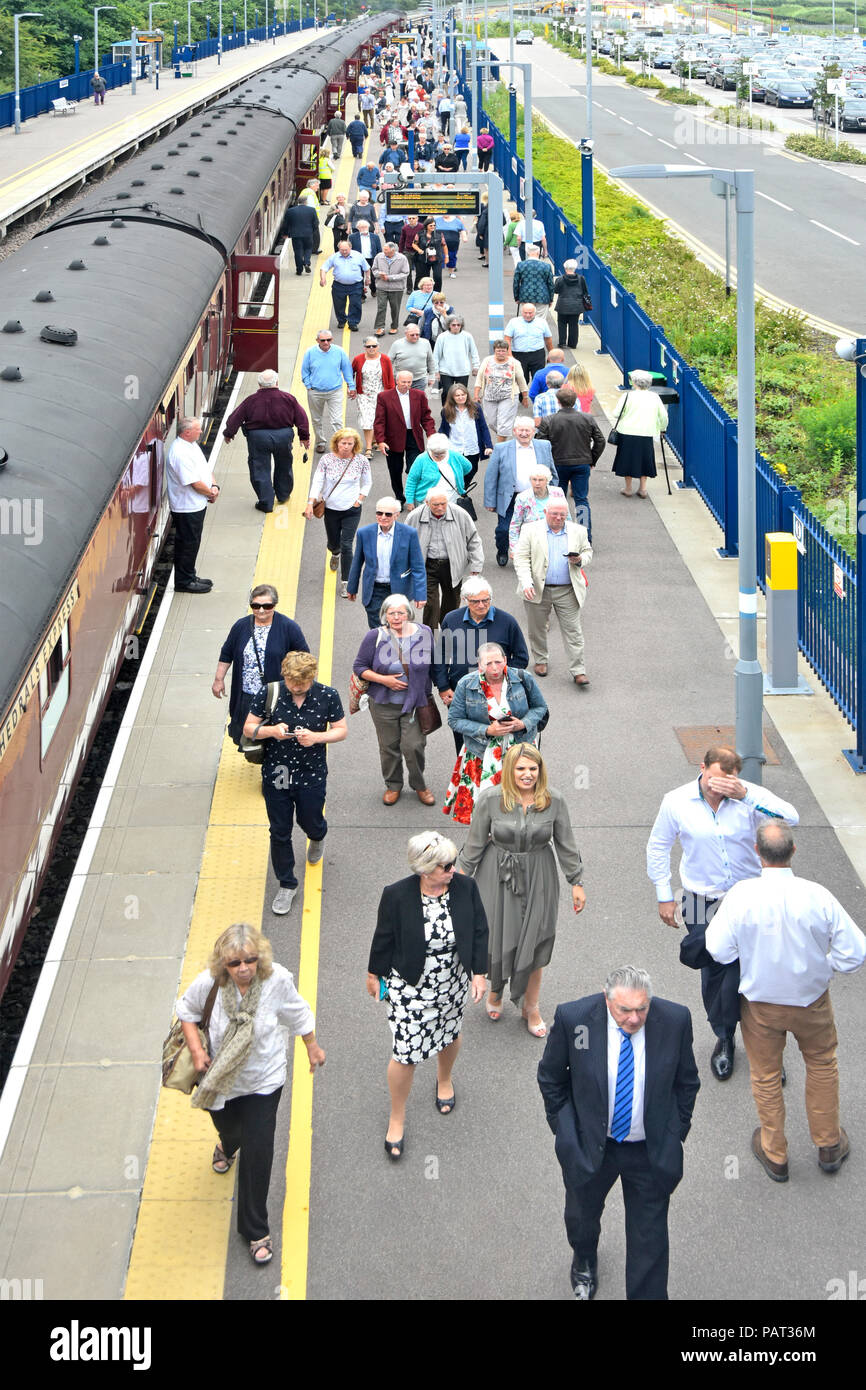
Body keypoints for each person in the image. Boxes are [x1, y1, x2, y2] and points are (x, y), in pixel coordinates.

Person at [705, 822, 865, 1183]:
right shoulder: (818, 896)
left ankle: (775, 1153)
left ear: (757, 853)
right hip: (812, 1001)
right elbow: (855, 953)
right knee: (822, 1064)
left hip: (761, 1005)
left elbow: (717, 949)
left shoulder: (742, 895)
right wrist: (825, 967)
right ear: (793, 852)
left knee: (765, 1075)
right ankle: (828, 1145)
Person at [537, 965, 700, 1300]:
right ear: (606, 999)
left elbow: (687, 1083)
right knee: (581, 1216)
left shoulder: (675, 1021)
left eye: (642, 1008)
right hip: (592, 1145)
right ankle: (584, 1257)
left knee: (650, 1242)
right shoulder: (575, 1019)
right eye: (625, 1010)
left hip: (649, 1150)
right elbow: (551, 1079)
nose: (635, 1018)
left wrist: (675, 1133)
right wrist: (566, 1133)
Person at [646, 745, 799, 1081]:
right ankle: (725, 1037)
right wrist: (663, 895)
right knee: (717, 972)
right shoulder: (676, 801)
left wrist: (745, 795)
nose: (720, 788)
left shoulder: (747, 797)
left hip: (751, 898)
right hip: (703, 900)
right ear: (702, 768)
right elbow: (658, 845)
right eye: (715, 779)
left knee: (762, 971)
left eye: (728, 782)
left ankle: (767, 1047)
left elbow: (791, 818)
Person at [177, 924, 325, 1266]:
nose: (243, 968)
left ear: (261, 958)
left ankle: (255, 1229)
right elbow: (186, 1012)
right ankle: (227, 1145)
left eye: (250, 960)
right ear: (222, 965)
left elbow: (298, 1013)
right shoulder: (208, 984)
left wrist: (312, 1047)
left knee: (259, 1152)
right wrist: (198, 1053)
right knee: (231, 1130)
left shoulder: (277, 981)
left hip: (264, 1082)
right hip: (220, 1082)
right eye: (234, 963)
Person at [367, 832, 488, 1159]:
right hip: (411, 987)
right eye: (445, 866)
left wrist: (479, 973)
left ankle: (444, 1079)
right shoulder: (396, 896)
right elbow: (384, 937)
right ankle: (397, 1115)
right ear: (424, 869)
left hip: (451, 982)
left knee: (450, 1035)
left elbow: (479, 929)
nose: (453, 870)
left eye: (453, 863)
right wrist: (373, 973)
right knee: (405, 1052)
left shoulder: (465, 888)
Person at [459, 745, 584, 1034]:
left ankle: (531, 1005)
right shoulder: (490, 799)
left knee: (537, 940)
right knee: (496, 935)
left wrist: (576, 882)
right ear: (509, 770)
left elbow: (566, 843)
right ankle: (496, 991)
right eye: (520, 768)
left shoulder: (554, 801)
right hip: (496, 874)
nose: (527, 774)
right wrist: (457, 885)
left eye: (532, 768)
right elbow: (474, 844)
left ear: (540, 771)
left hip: (540, 875)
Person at [243, 651, 347, 915]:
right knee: (279, 830)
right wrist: (271, 731)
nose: (296, 687)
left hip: (311, 772)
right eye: (292, 682)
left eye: (301, 682)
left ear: (312, 677)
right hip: (277, 772)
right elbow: (248, 728)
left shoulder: (328, 695)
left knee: (310, 818)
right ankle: (287, 883)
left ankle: (317, 835)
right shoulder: (270, 693)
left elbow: (341, 730)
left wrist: (316, 737)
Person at [445, 648, 548, 825]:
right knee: (486, 803)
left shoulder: (523, 678)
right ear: (479, 666)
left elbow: (540, 707)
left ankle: (520, 830)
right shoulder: (465, 684)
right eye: (488, 663)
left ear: (505, 660)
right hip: (482, 752)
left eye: (498, 662)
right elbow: (454, 720)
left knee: (521, 795)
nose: (494, 668)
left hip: (520, 749)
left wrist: (522, 724)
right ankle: (489, 836)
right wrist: (487, 730)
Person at [352, 594, 436, 805]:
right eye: (392, 613)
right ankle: (393, 785)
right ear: (385, 615)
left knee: (413, 746)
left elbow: (436, 664)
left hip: (415, 703)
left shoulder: (424, 633)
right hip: (383, 704)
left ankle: (419, 785)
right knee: (388, 746)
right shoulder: (374, 637)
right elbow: (360, 667)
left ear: (409, 614)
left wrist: (444, 689)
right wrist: (384, 680)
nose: (397, 617)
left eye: (402, 612)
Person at [212, 586, 309, 745]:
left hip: (277, 695)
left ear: (275, 605)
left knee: (277, 735)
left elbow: (304, 659)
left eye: (267, 606)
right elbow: (226, 653)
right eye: (256, 606)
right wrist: (218, 679)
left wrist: (300, 689)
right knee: (247, 734)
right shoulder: (241, 626)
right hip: (247, 694)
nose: (261, 610)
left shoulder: (288, 627)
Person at [515, 498, 592, 686]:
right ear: (545, 513)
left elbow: (588, 551)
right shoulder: (530, 530)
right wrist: (526, 582)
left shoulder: (578, 531)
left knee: (573, 631)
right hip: (537, 589)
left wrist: (581, 559)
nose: (558, 518)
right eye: (554, 514)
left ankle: (578, 670)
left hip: (568, 590)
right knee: (537, 628)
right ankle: (541, 660)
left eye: (562, 515)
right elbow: (522, 557)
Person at [222, 369, 310, 512]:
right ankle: (283, 494)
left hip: (258, 438)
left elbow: (235, 418)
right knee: (284, 464)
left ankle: (266, 502)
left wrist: (229, 433)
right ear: (277, 382)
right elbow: (302, 417)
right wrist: (304, 436)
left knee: (260, 468)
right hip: (283, 436)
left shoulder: (250, 400)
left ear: (259, 384)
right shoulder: (288, 398)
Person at [303, 428, 371, 595]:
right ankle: (334, 552)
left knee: (347, 544)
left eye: (350, 443)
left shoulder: (361, 461)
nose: (346, 446)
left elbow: (367, 483)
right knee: (334, 543)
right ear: (336, 443)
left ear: (355, 444)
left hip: (352, 509)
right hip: (331, 509)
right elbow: (318, 481)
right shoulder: (326, 460)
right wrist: (310, 503)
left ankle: (346, 582)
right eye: (343, 443)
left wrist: (359, 500)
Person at [404, 487, 483, 630]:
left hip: (452, 565)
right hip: (427, 566)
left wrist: (476, 566)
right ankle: (430, 640)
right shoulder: (414, 517)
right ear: (427, 503)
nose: (440, 508)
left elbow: (474, 540)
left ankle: (448, 636)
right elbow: (404, 543)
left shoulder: (460, 514)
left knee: (452, 605)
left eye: (443, 504)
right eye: (436, 505)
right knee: (431, 606)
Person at [484, 418, 557, 567]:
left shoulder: (544, 446)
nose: (524, 433)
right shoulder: (501, 448)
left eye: (527, 430)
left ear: (534, 432)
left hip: (536, 496)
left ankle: (531, 556)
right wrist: (490, 501)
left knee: (536, 529)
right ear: (514, 431)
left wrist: (555, 495)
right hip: (511, 497)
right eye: (520, 430)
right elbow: (491, 476)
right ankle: (503, 550)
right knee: (504, 529)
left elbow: (552, 471)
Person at [536, 387, 606, 541]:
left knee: (556, 500)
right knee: (581, 499)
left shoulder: (548, 420)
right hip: (582, 463)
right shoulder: (587, 418)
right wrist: (591, 459)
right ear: (575, 402)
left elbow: (540, 443)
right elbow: (600, 440)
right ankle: (585, 536)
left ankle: (557, 533)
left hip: (558, 465)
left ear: (558, 402)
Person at [346, 497, 427, 628]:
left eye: (388, 514)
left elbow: (418, 567)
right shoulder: (364, 533)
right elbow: (357, 562)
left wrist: (420, 594)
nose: (383, 517)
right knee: (378, 629)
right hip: (374, 590)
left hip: (398, 590)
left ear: (396, 515)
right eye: (379, 513)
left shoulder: (409, 534)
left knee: (397, 627)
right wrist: (352, 587)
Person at [166, 416, 218, 594]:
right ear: (187, 432)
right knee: (188, 544)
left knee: (192, 542)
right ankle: (184, 581)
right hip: (187, 507)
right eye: (198, 429)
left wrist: (214, 485)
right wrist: (210, 492)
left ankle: (190, 575)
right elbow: (194, 483)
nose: (201, 431)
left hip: (196, 504)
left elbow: (203, 468)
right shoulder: (179, 453)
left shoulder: (190, 445)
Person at [373, 370, 436, 505]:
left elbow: (426, 417)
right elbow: (379, 421)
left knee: (414, 467)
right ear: (397, 381)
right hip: (393, 438)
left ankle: (413, 496)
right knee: (395, 471)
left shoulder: (419, 395)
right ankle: (399, 497)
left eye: (409, 382)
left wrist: (430, 433)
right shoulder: (384, 397)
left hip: (413, 435)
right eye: (403, 382)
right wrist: (381, 441)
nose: (406, 385)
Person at [612, 369, 669, 499]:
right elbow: (664, 416)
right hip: (646, 432)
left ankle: (628, 488)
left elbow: (616, 414)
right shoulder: (654, 397)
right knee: (645, 459)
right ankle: (643, 488)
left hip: (627, 432)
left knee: (627, 458)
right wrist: (662, 428)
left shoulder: (627, 396)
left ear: (634, 382)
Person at [300, 330, 357, 453]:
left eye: (329, 340)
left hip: (335, 391)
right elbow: (305, 371)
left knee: (337, 420)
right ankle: (320, 442)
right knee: (316, 419)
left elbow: (347, 369)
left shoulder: (339, 351)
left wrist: (351, 386)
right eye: (323, 340)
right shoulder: (310, 352)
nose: (326, 342)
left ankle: (339, 443)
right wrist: (309, 386)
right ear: (317, 341)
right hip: (315, 392)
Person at [474, 340, 530, 444]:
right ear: (494, 350)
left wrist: (525, 397)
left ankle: (500, 447)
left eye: (503, 351)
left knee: (503, 424)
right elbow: (479, 378)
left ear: (507, 351)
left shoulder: (514, 363)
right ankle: (505, 436)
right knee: (491, 422)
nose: (501, 353)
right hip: (490, 397)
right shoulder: (487, 361)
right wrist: (476, 394)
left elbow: (521, 381)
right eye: (498, 351)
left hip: (509, 397)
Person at [438, 383, 493, 483]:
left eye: (463, 394)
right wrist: (437, 445)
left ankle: (460, 492)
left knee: (472, 470)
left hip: (472, 448)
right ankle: (459, 493)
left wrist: (488, 445)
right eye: (457, 395)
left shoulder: (476, 408)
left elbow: (483, 427)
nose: (461, 397)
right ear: (452, 397)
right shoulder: (446, 411)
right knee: (456, 473)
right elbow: (443, 430)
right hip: (454, 449)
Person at [508, 466, 566, 558]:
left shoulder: (558, 493)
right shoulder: (522, 498)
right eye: (534, 479)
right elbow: (515, 525)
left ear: (547, 480)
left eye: (541, 480)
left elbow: (567, 518)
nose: (537, 483)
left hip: (555, 538)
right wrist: (514, 549)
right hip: (533, 541)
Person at [352, 335, 395, 455]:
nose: (371, 348)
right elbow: (350, 373)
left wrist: (391, 394)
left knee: (378, 418)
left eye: (374, 346)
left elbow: (390, 378)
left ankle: (376, 441)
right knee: (367, 419)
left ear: (378, 347)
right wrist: (351, 388)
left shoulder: (385, 359)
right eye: (368, 346)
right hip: (364, 395)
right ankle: (369, 448)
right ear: (364, 347)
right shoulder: (358, 359)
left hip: (380, 394)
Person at [404, 433, 472, 509]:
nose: (439, 456)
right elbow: (412, 480)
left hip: (452, 502)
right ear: (430, 450)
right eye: (436, 454)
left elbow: (468, 467)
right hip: (427, 503)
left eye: (442, 454)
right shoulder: (421, 459)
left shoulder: (454, 456)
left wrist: (458, 476)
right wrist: (409, 501)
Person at [319, 240, 370, 333]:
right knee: (339, 304)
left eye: (346, 249)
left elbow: (366, 268)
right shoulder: (334, 257)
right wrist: (323, 279)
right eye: (342, 250)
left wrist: (368, 279)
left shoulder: (358, 256)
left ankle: (353, 322)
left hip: (356, 285)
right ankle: (341, 320)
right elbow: (324, 268)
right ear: (339, 249)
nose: (344, 251)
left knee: (355, 304)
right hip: (339, 285)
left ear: (350, 248)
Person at [432, 315, 480, 402]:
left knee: (461, 394)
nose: (456, 327)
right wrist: (436, 371)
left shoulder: (467, 336)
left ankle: (458, 413)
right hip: (446, 371)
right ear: (449, 325)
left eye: (458, 325)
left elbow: (474, 352)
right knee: (447, 392)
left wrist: (476, 366)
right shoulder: (442, 337)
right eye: (453, 325)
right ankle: (446, 412)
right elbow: (436, 355)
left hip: (462, 370)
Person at [504, 304, 553, 385]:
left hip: (537, 354)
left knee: (539, 379)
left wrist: (552, 354)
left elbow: (548, 339)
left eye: (530, 313)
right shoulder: (513, 322)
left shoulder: (542, 322)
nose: (528, 315)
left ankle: (538, 397)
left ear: (535, 312)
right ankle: (521, 398)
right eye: (525, 313)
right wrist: (509, 355)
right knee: (520, 380)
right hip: (519, 355)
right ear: (521, 312)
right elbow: (507, 339)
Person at [372, 242, 411, 335]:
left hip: (396, 288)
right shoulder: (379, 257)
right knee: (381, 307)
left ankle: (394, 326)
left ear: (393, 250)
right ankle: (380, 327)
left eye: (386, 250)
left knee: (395, 308)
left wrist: (390, 277)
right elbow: (374, 269)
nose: (383, 252)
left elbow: (405, 273)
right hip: (381, 287)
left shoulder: (402, 258)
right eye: (384, 249)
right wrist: (379, 274)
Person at [554, 259, 591, 350]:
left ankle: (562, 343)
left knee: (562, 323)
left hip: (563, 305)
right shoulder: (581, 278)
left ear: (565, 268)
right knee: (574, 324)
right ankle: (572, 344)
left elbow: (556, 290)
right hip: (576, 305)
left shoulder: (560, 279)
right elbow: (585, 291)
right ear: (575, 268)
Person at [512, 245, 555, 320]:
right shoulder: (546, 266)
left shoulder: (521, 265)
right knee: (540, 321)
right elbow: (551, 284)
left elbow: (516, 282)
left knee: (526, 319)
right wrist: (551, 299)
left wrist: (516, 297)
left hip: (525, 296)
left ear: (528, 253)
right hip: (542, 297)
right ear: (538, 253)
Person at [388, 323, 436, 391]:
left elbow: (430, 360)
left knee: (416, 400)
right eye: (412, 335)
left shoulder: (426, 343)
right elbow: (389, 361)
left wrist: (432, 376)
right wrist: (389, 377)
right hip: (401, 380)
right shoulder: (397, 344)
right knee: (401, 400)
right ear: (406, 333)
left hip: (419, 379)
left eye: (417, 334)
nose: (415, 337)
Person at [280, 198, 321, 275]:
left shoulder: (290, 211)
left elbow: (286, 224)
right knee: (308, 249)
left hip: (296, 235)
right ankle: (306, 262)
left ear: (298, 202)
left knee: (298, 251)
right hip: (308, 234)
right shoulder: (312, 210)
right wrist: (312, 231)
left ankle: (299, 270)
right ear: (306, 202)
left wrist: (285, 234)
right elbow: (316, 223)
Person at [349, 219, 382, 296]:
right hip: (359, 260)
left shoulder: (375, 237)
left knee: (373, 277)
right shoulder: (352, 237)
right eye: (361, 227)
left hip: (371, 259)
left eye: (365, 227)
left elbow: (379, 249)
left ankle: (373, 290)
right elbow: (350, 249)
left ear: (368, 227)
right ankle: (362, 295)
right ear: (358, 228)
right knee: (359, 277)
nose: (363, 228)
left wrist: (379, 260)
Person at [436, 212, 468, 277]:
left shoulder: (457, 221)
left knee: (452, 257)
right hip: (439, 243)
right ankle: (437, 272)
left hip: (453, 243)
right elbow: (429, 228)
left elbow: (462, 229)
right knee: (439, 257)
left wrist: (464, 237)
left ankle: (451, 272)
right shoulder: (437, 220)